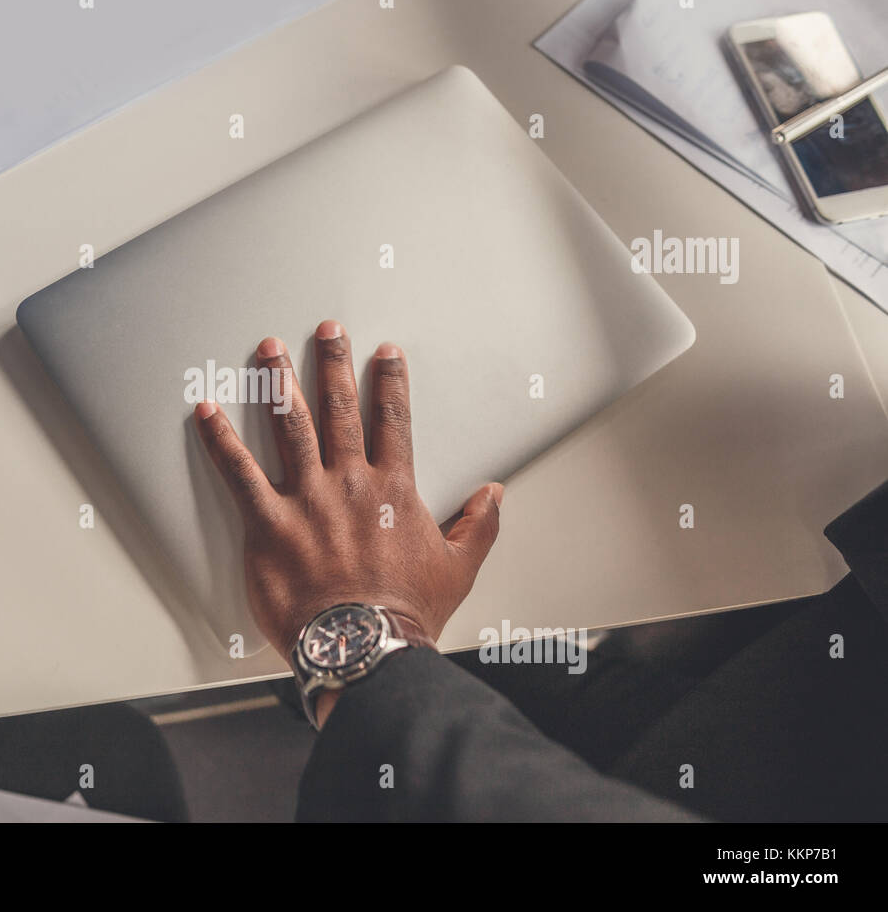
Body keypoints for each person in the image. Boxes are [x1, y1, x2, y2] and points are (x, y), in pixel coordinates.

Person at [192, 319, 699, 821]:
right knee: (579, 684)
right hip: (692, 720)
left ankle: (317, 682)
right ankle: (305, 685)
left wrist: (356, 618)